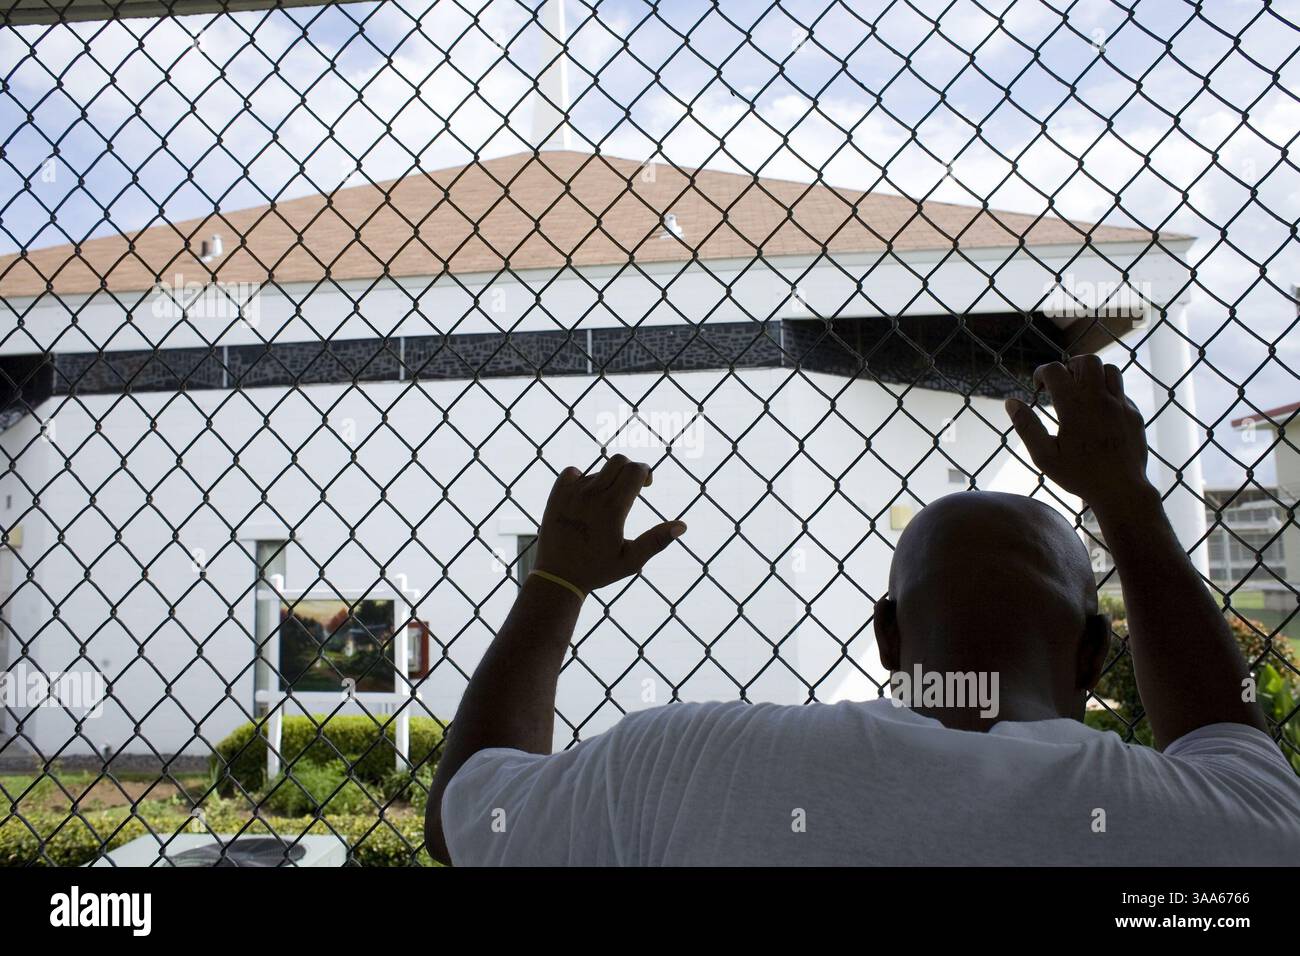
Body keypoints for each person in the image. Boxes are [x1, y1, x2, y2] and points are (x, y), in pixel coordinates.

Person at [424, 356, 1300, 865]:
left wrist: (555, 583)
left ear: (887, 637)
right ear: (1092, 654)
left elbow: (463, 813)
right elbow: (1229, 734)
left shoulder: (685, 763)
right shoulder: (1202, 825)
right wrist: (1128, 504)